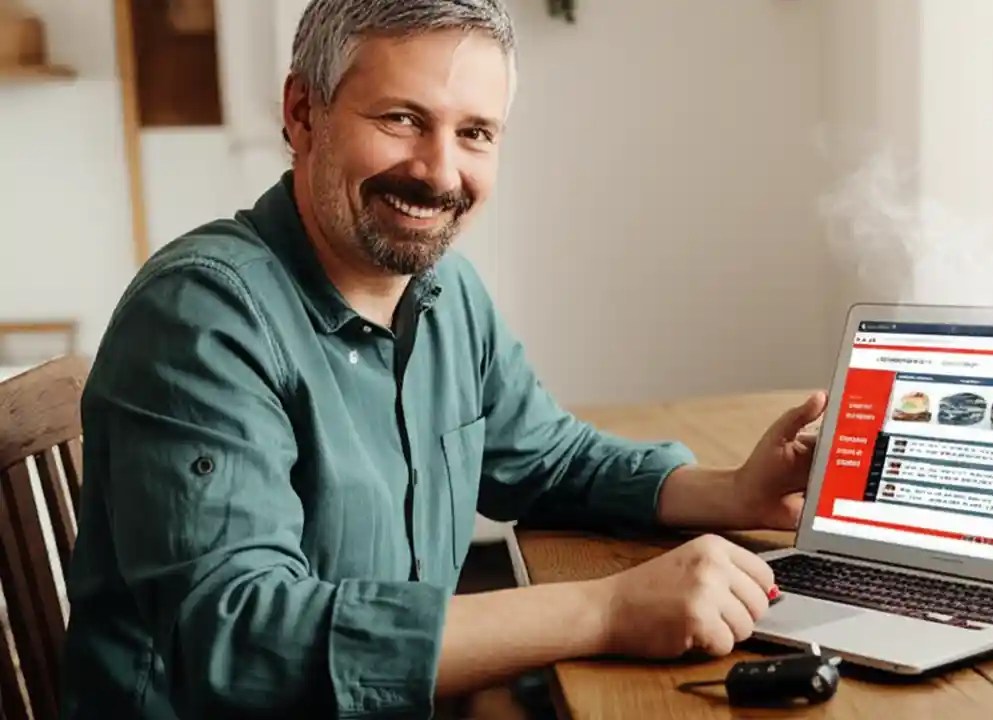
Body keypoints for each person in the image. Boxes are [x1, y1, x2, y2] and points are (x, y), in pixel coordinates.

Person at [58, 1, 826, 717]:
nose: (440, 172)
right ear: (302, 114)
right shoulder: (200, 318)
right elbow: (242, 641)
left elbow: (546, 459)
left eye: (475, 133)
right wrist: (607, 610)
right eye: (401, 119)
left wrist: (733, 494)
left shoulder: (442, 287)